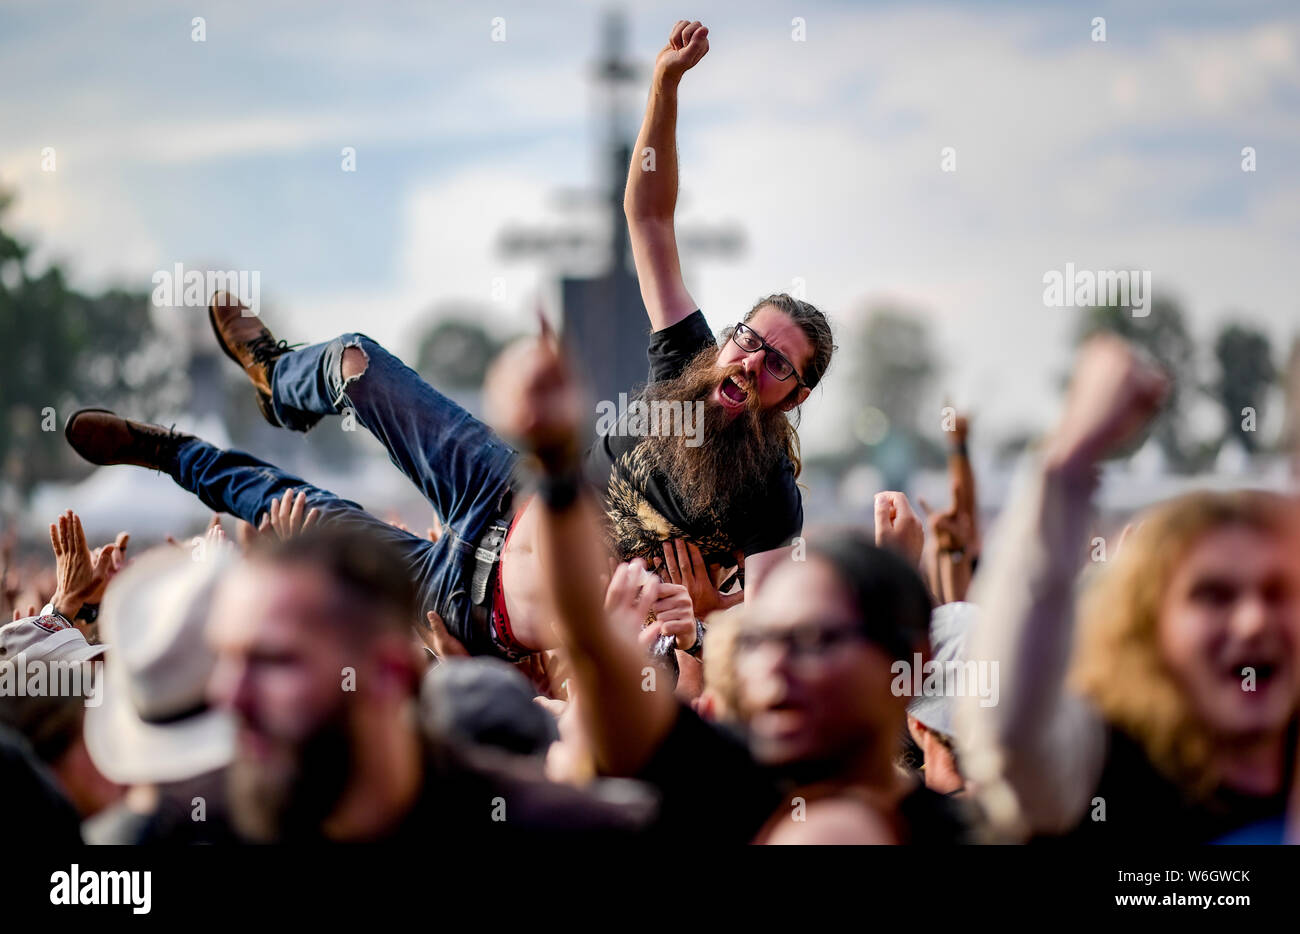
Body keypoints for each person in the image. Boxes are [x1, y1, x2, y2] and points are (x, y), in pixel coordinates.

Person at [61, 20, 834, 670]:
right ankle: (275, 375)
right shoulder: (690, 362)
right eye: (749, 338)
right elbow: (651, 221)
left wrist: (701, 623)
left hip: (471, 602)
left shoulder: (771, 503)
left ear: (795, 395)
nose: (749, 361)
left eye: (776, 364)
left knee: (294, 511)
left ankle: (172, 454)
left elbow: (766, 639)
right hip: (499, 487)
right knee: (359, 361)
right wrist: (663, 89)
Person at [481, 320, 968, 844]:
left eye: (820, 641)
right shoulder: (729, 780)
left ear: (909, 669)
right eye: (767, 640)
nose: (780, 664)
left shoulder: (972, 829)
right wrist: (554, 467)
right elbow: (596, 651)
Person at [958, 335, 1300, 843]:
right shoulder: (1102, 768)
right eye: (1213, 595)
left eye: (1278, 593)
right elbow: (1008, 736)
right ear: (1146, 624)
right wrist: (1064, 466)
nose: (1254, 621)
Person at [203, 525, 648, 842]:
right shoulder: (190, 827)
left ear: (388, 673)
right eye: (225, 657)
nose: (226, 694)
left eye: (275, 660)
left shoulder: (570, 826)